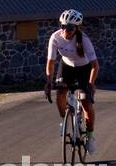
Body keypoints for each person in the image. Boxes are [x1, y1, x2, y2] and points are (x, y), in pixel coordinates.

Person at [43, 8, 100, 154]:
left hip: (84, 68)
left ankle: (89, 135)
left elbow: (95, 66)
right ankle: (65, 119)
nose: (65, 30)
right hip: (67, 66)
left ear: (76, 28)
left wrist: (90, 84)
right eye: (63, 26)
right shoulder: (55, 38)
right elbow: (50, 62)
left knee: (86, 103)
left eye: (69, 28)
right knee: (60, 92)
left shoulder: (84, 40)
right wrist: (49, 81)